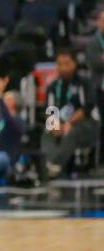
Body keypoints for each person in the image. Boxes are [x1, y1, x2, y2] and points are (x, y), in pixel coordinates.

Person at [42, 48, 100, 178]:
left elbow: (87, 109)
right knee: (47, 130)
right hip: (61, 123)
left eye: (66, 64)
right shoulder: (53, 86)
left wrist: (69, 123)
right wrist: (54, 125)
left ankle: (56, 165)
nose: (63, 68)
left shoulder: (84, 83)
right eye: (59, 64)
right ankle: (48, 163)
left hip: (87, 124)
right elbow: (50, 109)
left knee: (73, 132)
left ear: (74, 64)